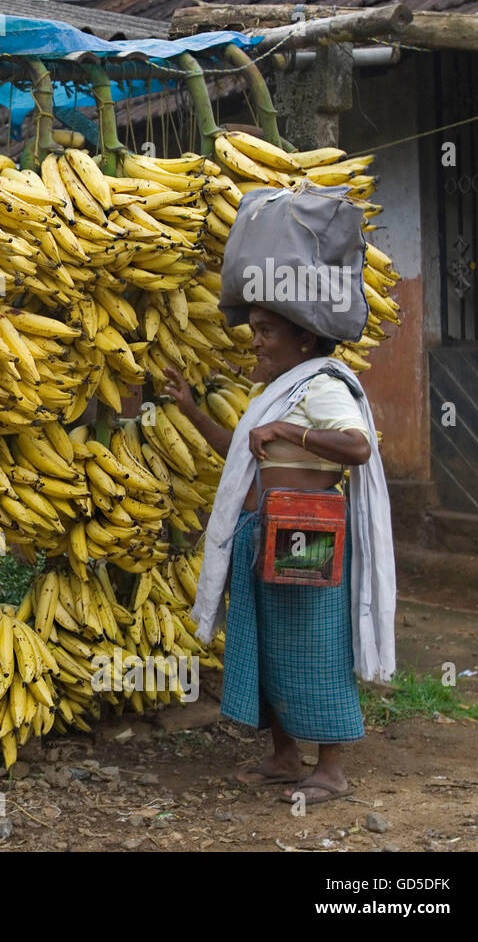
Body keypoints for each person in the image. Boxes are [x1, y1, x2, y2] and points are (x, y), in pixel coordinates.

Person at [161, 304, 395, 806]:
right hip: (264, 530)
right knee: (266, 643)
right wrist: (191, 410)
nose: (257, 342)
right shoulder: (276, 392)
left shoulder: (324, 385)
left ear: (306, 339)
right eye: (255, 331)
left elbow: (357, 447)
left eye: (267, 331)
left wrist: (288, 430)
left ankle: (330, 769)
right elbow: (245, 451)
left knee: (315, 643)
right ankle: (285, 756)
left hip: (307, 531)